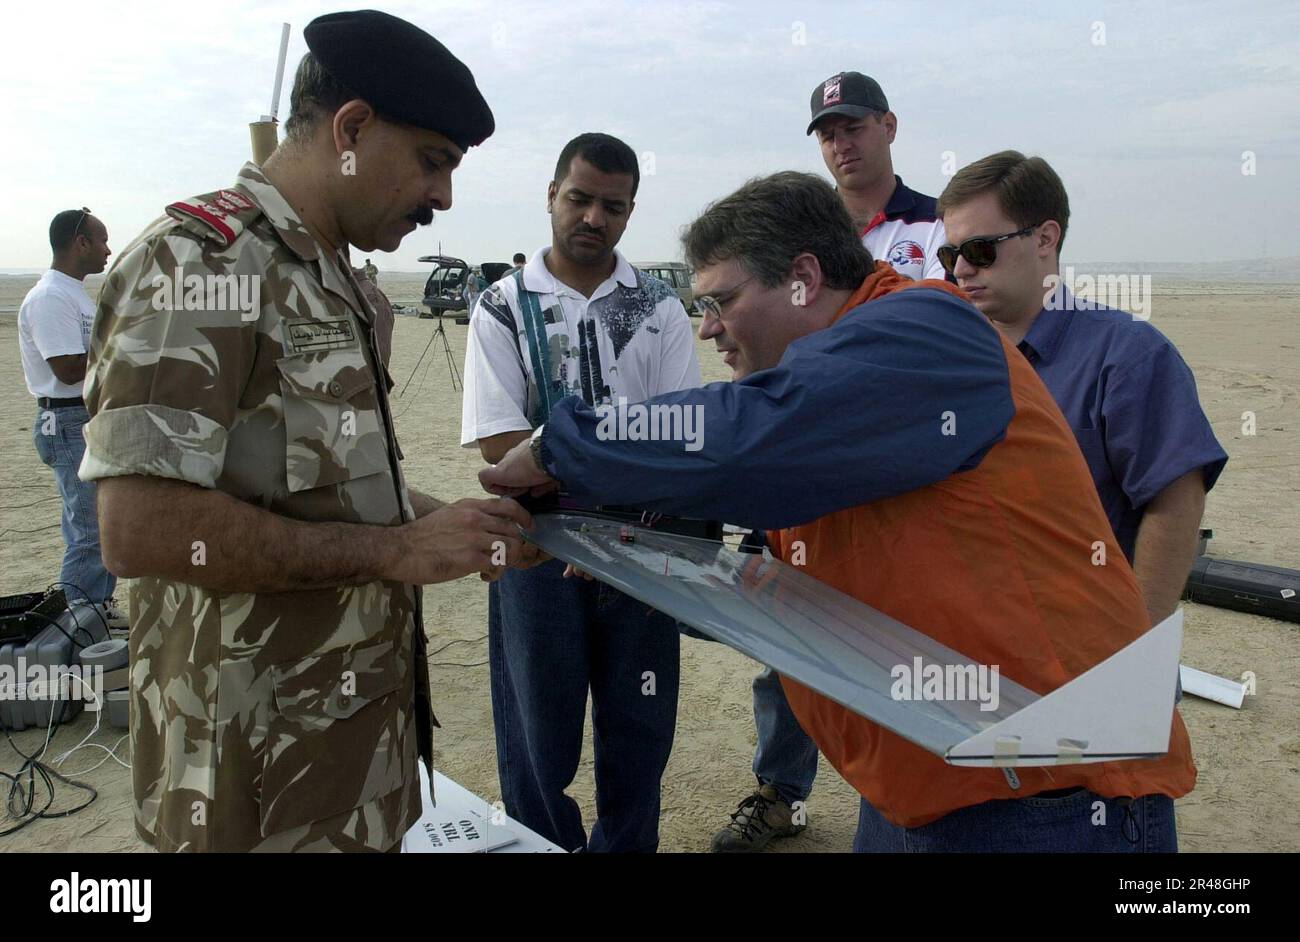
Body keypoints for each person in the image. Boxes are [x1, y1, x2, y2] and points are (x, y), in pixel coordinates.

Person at [482, 171, 1196, 853]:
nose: (709, 330)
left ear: (805, 277)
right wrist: (625, 543)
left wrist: (557, 450)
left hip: (1049, 790)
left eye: (721, 301)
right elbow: (782, 545)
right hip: (931, 777)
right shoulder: (830, 397)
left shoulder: (924, 327)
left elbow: (743, 441)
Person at [80, 10, 533, 853]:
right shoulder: (200, 265)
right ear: (352, 128)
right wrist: (398, 553)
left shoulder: (335, 279)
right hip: (243, 778)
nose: (444, 197)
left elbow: (334, 493)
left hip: (347, 758)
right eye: (434, 162)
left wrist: (465, 530)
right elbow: (138, 528)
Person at [711, 69, 957, 853]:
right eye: (826, 132)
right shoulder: (788, 240)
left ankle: (912, 803)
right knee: (788, 642)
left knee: (909, 643)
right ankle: (781, 793)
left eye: (852, 126)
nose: (839, 143)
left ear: (889, 126)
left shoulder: (937, 232)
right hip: (800, 465)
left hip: (904, 474)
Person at [460, 132, 701, 852]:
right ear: (552, 197)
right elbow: (502, 450)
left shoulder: (658, 309)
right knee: (538, 735)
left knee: (639, 734)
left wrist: (577, 469)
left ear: (630, 213)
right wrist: (614, 473)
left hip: (641, 554)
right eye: (580, 198)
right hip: (538, 554)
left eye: (613, 205)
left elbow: (681, 438)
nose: (594, 217)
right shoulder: (503, 308)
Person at [937, 151, 1227, 625]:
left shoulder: (1127, 356)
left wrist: (1136, 646)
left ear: (1045, 239)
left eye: (981, 250)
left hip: (1092, 646)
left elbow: (1175, 503)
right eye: (951, 255)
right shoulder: (955, 361)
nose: (962, 270)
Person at [18, 208, 125, 630]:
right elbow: (66, 368)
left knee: (101, 524)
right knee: (88, 533)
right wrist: (124, 350)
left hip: (80, 419)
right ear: (80, 242)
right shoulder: (50, 297)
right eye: (101, 240)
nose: (107, 249)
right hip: (64, 423)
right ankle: (78, 628)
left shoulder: (74, 294)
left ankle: (95, 610)